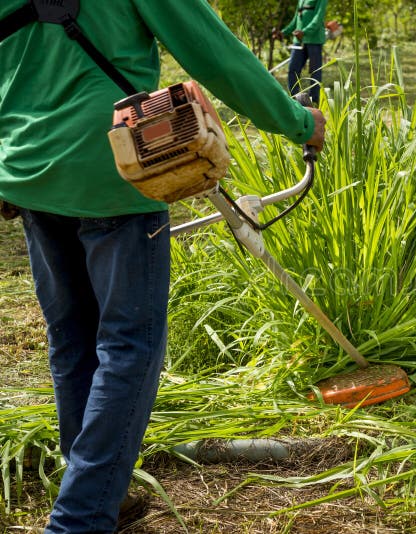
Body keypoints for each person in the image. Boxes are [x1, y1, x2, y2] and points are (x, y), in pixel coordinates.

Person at [0, 0, 325, 532]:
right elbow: (212, 53)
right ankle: (80, 519)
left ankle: (102, 488)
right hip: (117, 171)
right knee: (129, 345)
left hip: (29, 169)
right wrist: (296, 121)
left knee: (73, 337)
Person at [280, 0, 329, 104]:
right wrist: (283, 32)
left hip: (314, 40)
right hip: (299, 40)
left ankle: (314, 102)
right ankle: (293, 100)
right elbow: (296, 20)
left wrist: (305, 31)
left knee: (315, 72)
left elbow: (318, 17)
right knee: (293, 69)